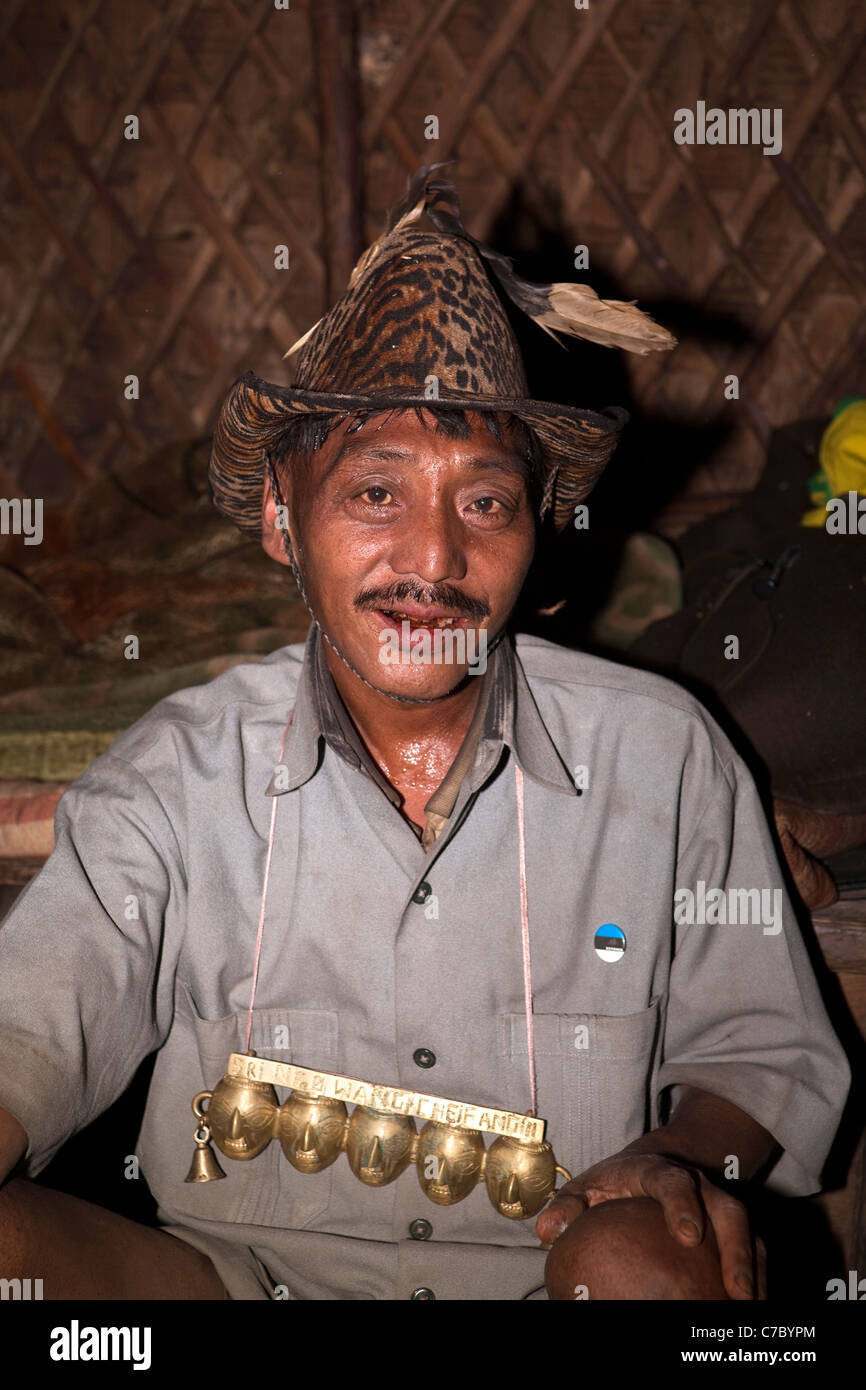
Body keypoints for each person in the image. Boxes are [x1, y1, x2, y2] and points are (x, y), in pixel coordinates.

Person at [0, 166, 850, 1301]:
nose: (435, 558)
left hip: (549, 1286)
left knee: (641, 1261)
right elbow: (34, 1019)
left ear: (535, 535)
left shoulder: (659, 755)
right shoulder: (180, 773)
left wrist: (678, 1156)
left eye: (485, 502)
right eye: (374, 495)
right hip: (223, 1286)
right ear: (280, 522)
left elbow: (764, 1050)